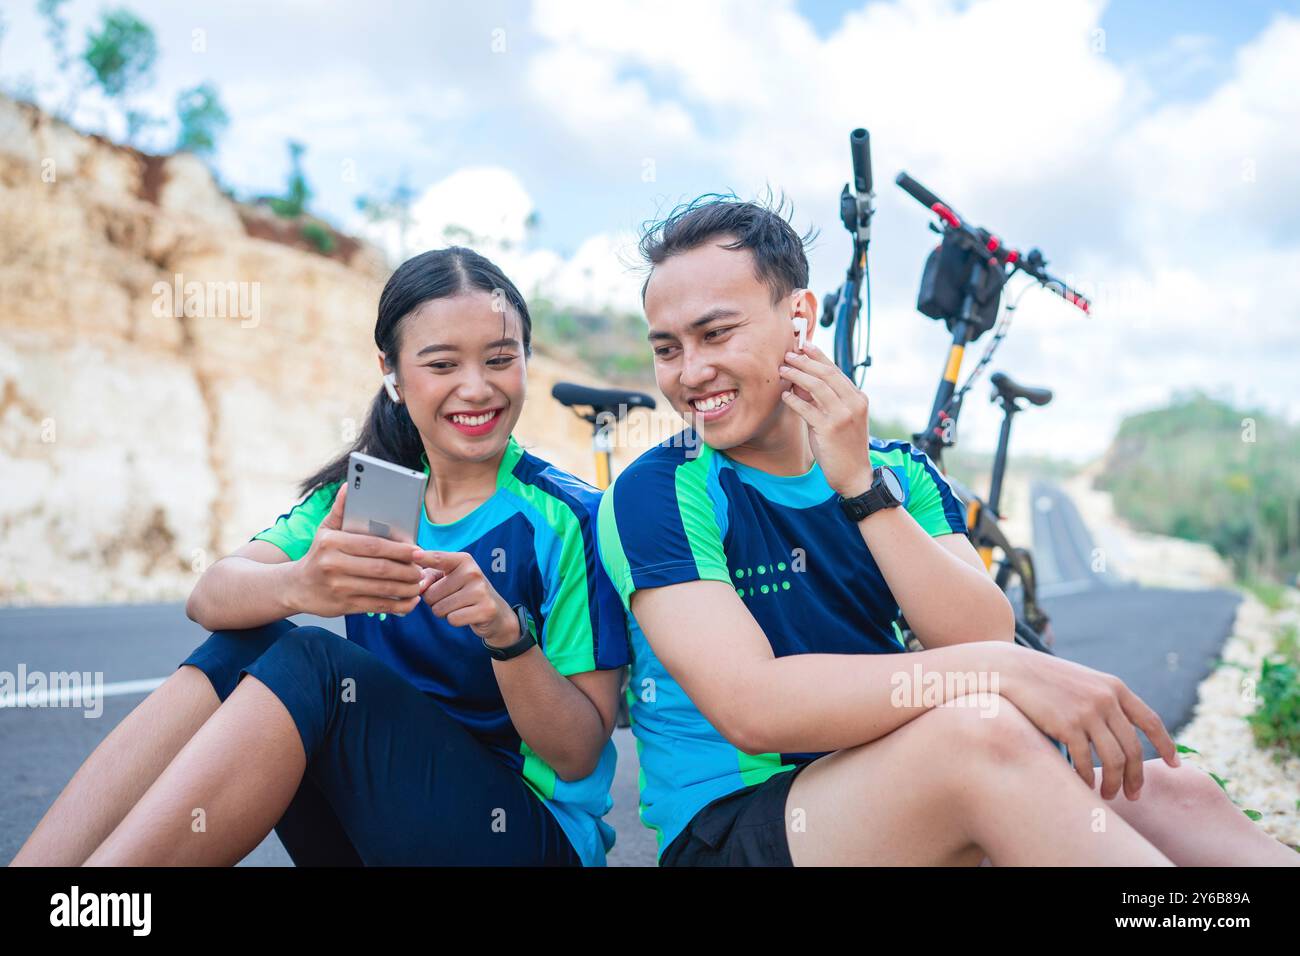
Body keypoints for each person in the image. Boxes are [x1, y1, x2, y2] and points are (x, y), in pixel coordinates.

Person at [595, 194, 1300, 867]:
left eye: (716, 333)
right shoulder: (658, 491)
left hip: (907, 783)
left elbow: (976, 635)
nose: (691, 372)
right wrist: (1008, 671)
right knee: (979, 737)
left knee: (1174, 793)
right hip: (740, 828)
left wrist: (862, 491)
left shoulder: (897, 471)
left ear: (800, 315)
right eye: (668, 348)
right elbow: (754, 707)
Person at [14, 247, 628, 867]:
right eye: (442, 363)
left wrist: (507, 636)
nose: (476, 387)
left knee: (315, 663)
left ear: (526, 360)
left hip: (526, 840)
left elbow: (577, 753)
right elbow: (210, 597)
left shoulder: (568, 518)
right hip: (382, 825)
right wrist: (301, 584)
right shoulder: (369, 497)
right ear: (391, 372)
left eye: (501, 359)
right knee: (246, 645)